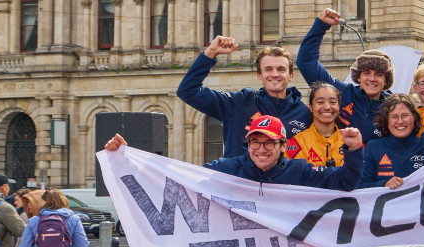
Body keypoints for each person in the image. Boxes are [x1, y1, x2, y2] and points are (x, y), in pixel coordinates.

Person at [106, 114, 364, 188]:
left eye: (269, 143)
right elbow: (179, 177)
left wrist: (353, 150)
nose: (261, 150)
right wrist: (129, 159)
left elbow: (346, 182)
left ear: (284, 146)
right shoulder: (227, 169)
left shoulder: (301, 171)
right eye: (255, 142)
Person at [178, 36, 309, 160]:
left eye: (281, 69)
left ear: (291, 75)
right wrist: (210, 53)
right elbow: (188, 91)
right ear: (259, 75)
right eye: (268, 69)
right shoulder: (238, 103)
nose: (274, 74)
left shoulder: (304, 114)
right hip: (236, 177)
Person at [296, 9, 393, 140]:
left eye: (379, 74)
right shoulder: (343, 93)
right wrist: (321, 26)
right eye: (366, 73)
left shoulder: (394, 106)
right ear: (358, 76)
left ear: (386, 79)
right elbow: (306, 62)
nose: (372, 79)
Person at [361, 94, 424, 188]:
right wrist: (384, 185)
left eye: (405, 116)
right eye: (394, 117)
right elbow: (361, 186)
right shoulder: (373, 147)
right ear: (386, 120)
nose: (400, 121)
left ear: (414, 117)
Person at [288, 83, 352, 168]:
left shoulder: (351, 142)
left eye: (332, 102)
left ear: (339, 106)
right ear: (310, 107)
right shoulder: (295, 145)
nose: (327, 107)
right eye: (320, 102)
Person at [18, 188, 90, 247]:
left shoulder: (34, 220)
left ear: (44, 202)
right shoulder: (73, 219)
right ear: (63, 200)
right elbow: (82, 246)